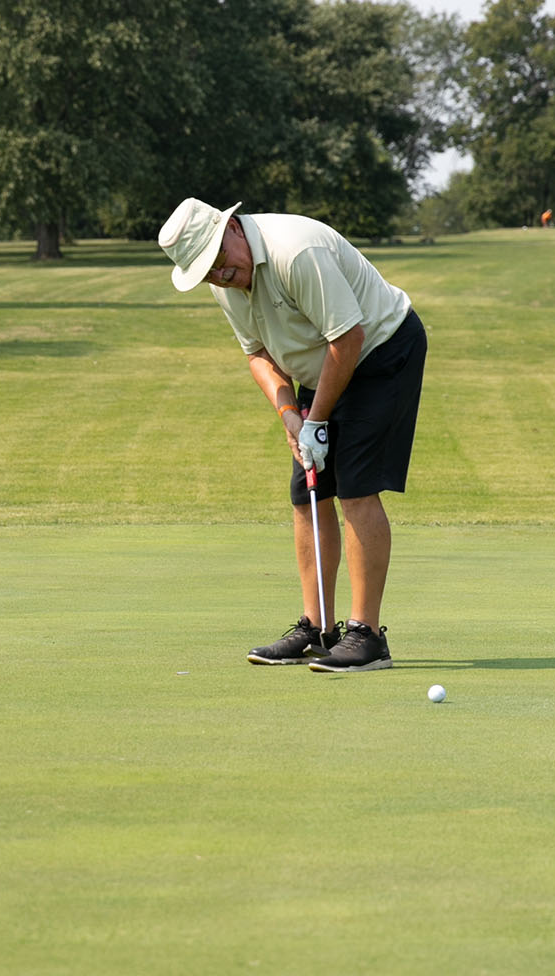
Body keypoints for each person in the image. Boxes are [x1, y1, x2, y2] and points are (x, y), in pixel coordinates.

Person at [158, 199, 428, 673]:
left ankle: (365, 636)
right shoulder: (225, 283)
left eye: (221, 264)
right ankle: (317, 627)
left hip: (381, 351)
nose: (221, 277)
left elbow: (348, 338)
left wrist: (317, 419)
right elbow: (258, 353)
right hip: (326, 364)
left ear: (234, 230)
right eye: (208, 274)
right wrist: (291, 414)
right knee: (307, 491)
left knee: (356, 484)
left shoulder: (295, 252)